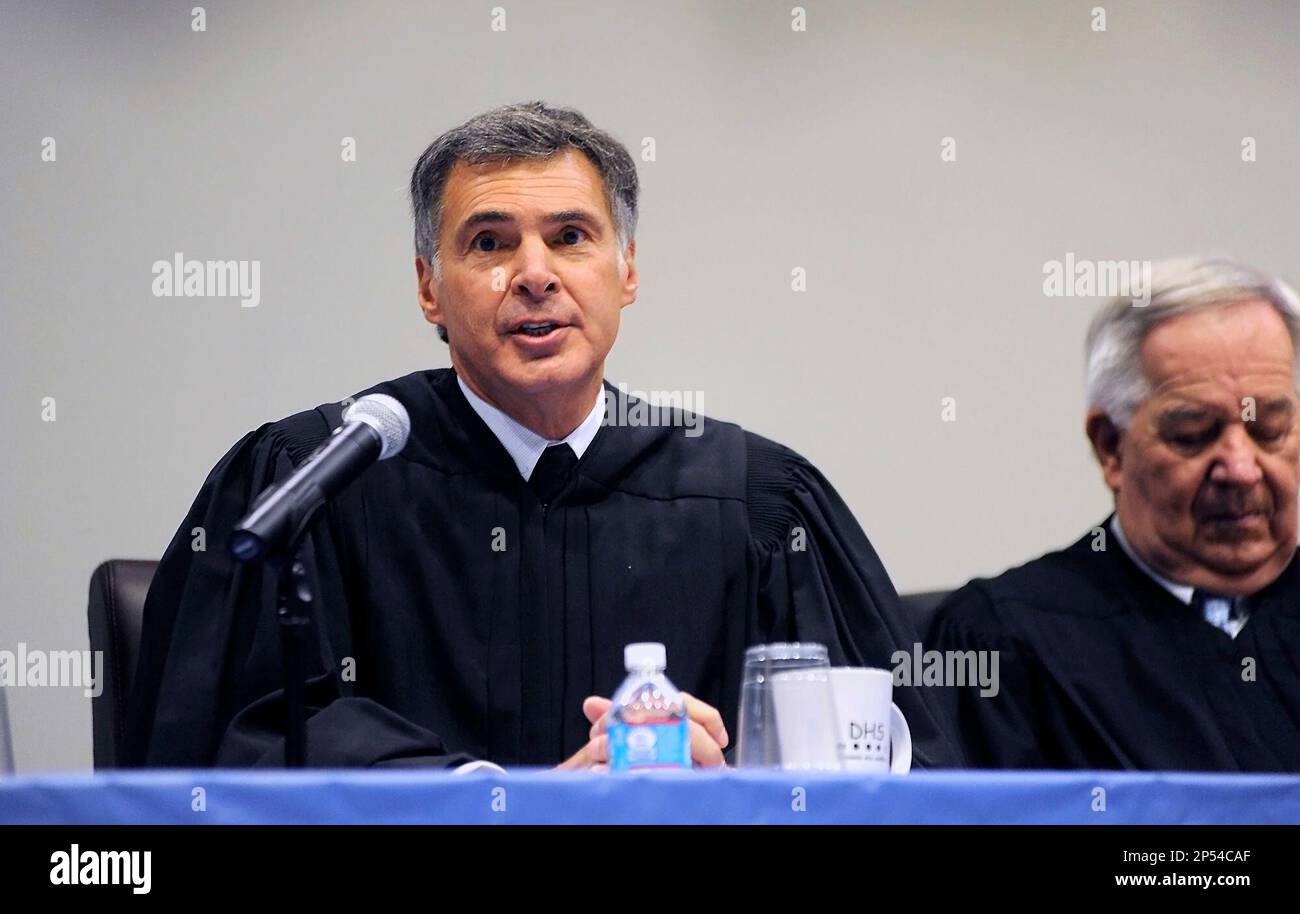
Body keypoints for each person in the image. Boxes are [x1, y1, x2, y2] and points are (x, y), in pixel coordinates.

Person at [125, 101, 959, 771]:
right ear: (429, 287)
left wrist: (734, 787)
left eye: (570, 237)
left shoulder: (754, 502)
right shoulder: (316, 481)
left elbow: (902, 761)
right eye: (489, 243)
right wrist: (489, 805)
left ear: (626, 271)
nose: (534, 273)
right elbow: (224, 746)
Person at [929, 256, 1300, 770]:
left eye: (1269, 429)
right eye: (1194, 433)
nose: (1240, 468)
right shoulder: (1007, 643)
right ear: (1111, 448)